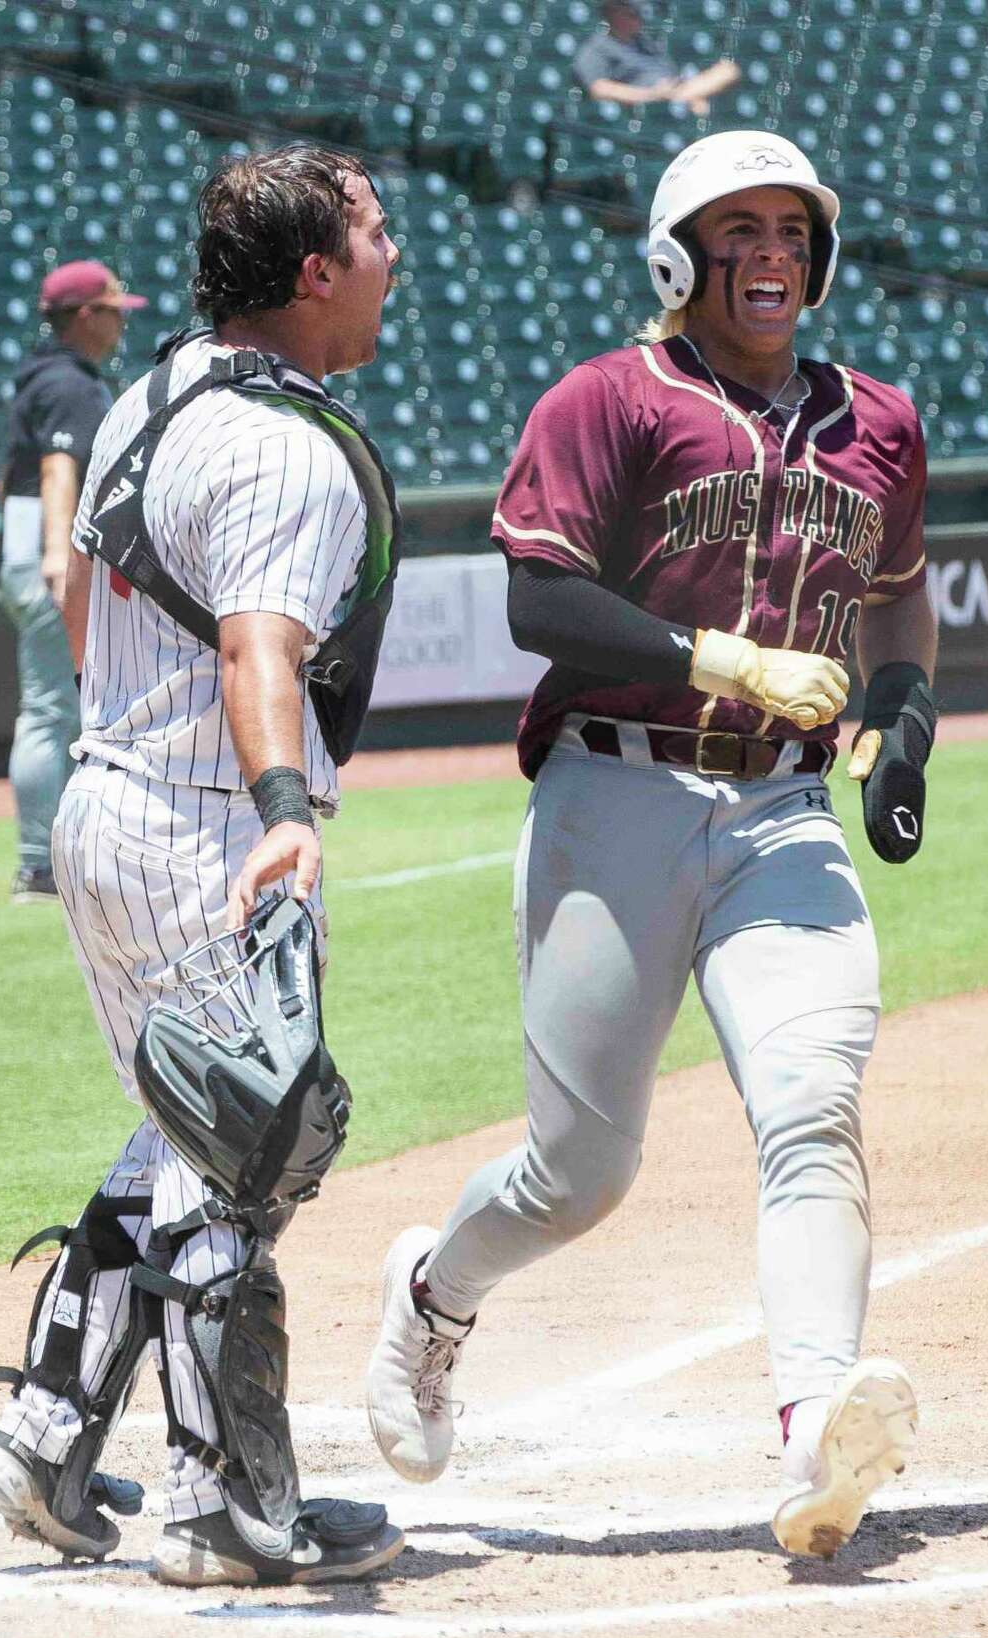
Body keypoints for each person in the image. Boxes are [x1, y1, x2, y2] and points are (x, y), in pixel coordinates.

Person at [367, 129, 937, 1561]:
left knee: (811, 1105)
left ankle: (817, 1427)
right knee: (580, 1171)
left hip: (784, 813)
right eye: (738, 230)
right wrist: (730, 660)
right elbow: (541, 603)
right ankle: (434, 1298)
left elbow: (901, 598)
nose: (772, 255)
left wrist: (908, 729)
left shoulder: (878, 420)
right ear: (679, 255)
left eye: (792, 231)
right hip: (612, 789)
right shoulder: (607, 400)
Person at [0, 144, 405, 1588]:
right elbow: (256, 644)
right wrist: (278, 800)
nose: (395, 254)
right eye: (374, 231)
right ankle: (224, 1507)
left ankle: (43, 1435)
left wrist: (130, 745)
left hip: (119, 801)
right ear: (315, 272)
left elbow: (85, 590)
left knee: (191, 1136)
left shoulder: (155, 390)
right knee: (247, 1155)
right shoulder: (283, 442)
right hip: (208, 818)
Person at [0, 260, 145, 901]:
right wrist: (59, 558)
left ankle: (47, 857)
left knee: (52, 709)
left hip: (21, 544)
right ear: (85, 314)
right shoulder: (70, 385)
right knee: (55, 710)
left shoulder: (38, 378)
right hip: (48, 554)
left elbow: (11, 482)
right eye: (113, 308)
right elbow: (60, 471)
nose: (120, 321)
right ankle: (40, 862)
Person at [573, 2, 740, 115]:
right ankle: (689, 97)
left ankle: (688, 96)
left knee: (727, 69)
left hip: (673, 90)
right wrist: (650, 94)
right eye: (632, 14)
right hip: (650, 105)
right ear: (614, 15)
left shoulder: (644, 42)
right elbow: (599, 89)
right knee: (699, 107)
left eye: (639, 14)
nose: (639, 18)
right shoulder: (596, 47)